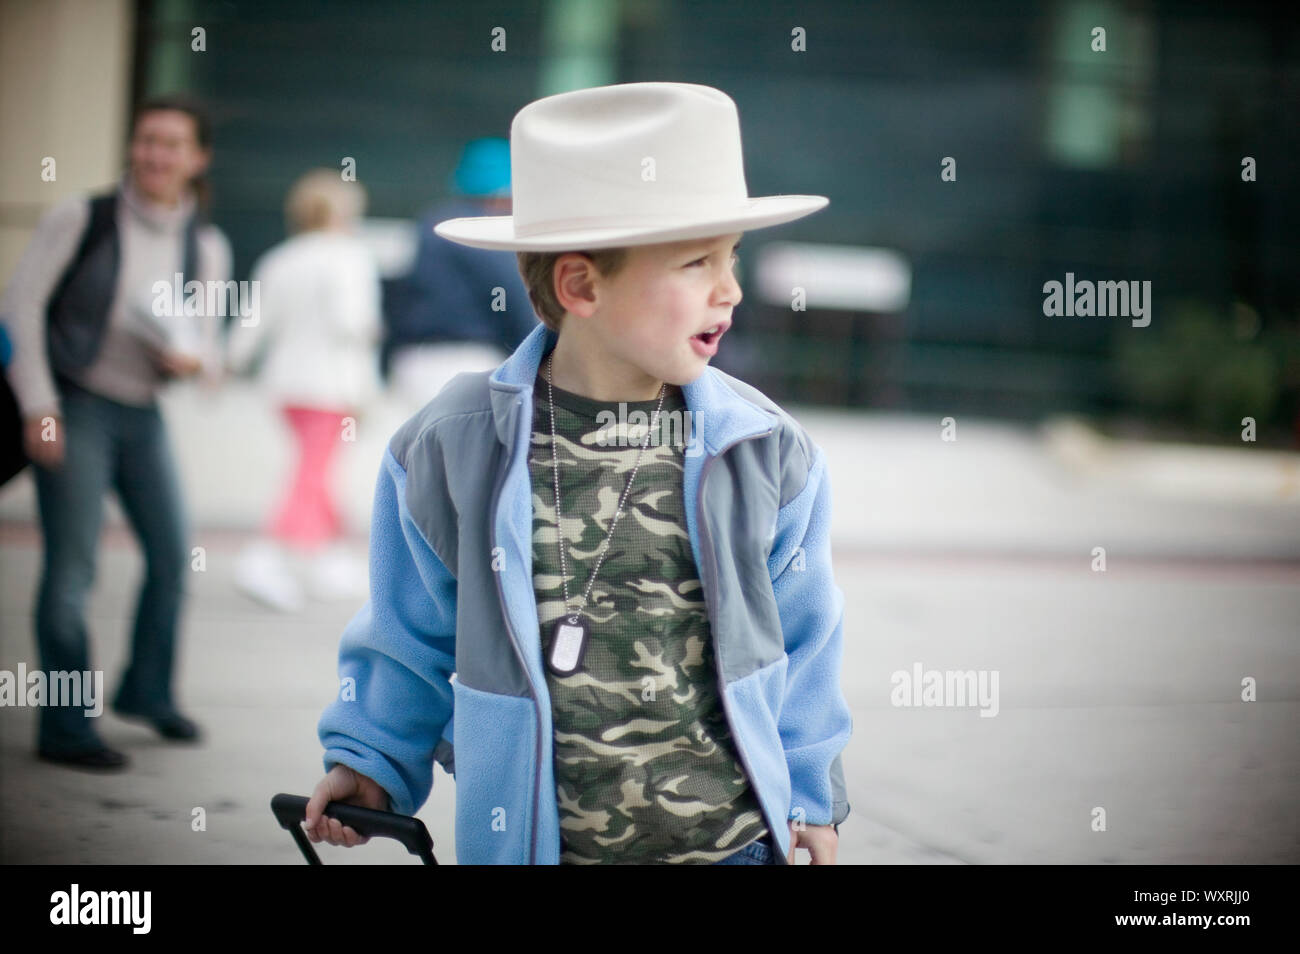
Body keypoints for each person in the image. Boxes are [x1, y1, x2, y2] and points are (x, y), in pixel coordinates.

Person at [304, 82, 851, 864]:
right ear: (581, 285)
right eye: (697, 261)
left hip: (733, 848)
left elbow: (806, 638)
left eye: (732, 257)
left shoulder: (764, 449)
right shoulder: (451, 447)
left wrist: (808, 795)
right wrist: (371, 760)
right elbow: (406, 635)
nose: (729, 290)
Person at [4, 95, 231, 769]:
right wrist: (37, 405)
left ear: (197, 158)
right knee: (74, 569)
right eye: (146, 140)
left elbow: (210, 349)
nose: (156, 155)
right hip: (75, 402)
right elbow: (20, 306)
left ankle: (147, 692)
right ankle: (66, 728)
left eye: (171, 144)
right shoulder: (83, 216)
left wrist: (192, 363)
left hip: (142, 412)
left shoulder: (205, 244)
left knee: (171, 556)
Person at [225, 169, 382, 612]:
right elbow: (354, 323)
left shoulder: (281, 258)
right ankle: (263, 558)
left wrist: (227, 364)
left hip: (286, 387)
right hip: (332, 387)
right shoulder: (349, 257)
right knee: (312, 474)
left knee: (319, 471)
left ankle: (329, 561)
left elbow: (252, 324)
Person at [383, 137, 539, 410]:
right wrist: (539, 356)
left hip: (410, 364)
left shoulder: (430, 222)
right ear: (502, 191)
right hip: (467, 362)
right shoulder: (483, 232)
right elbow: (513, 302)